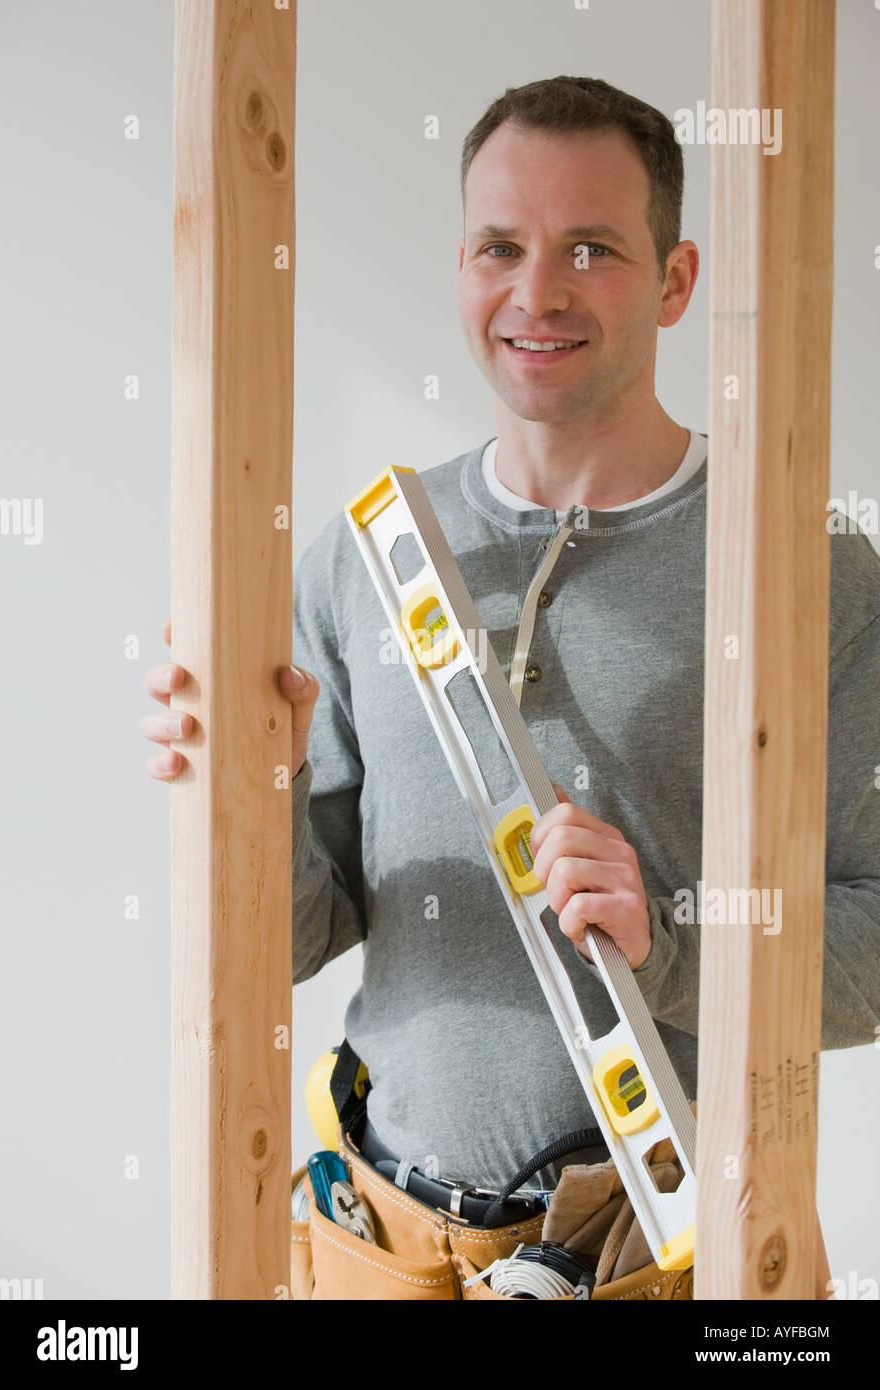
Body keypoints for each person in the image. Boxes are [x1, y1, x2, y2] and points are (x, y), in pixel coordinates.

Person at [142, 77, 880, 1201]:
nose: (535, 292)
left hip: (671, 1264)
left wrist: (668, 943)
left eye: (589, 249)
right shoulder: (363, 558)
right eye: (499, 247)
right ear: (460, 268)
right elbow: (286, 940)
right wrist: (251, 791)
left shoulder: (805, 566)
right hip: (379, 1243)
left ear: (675, 281)